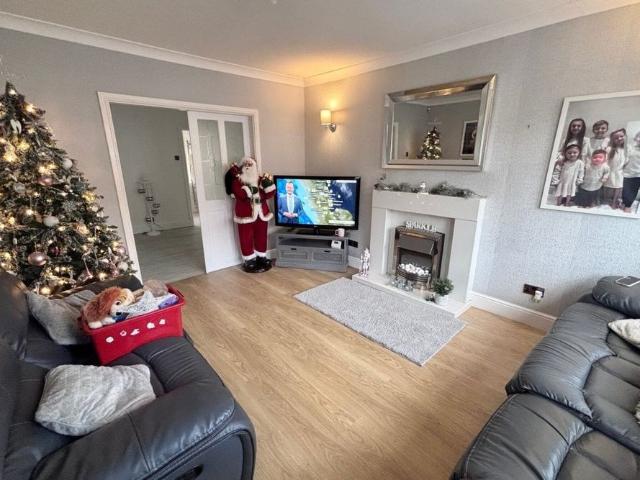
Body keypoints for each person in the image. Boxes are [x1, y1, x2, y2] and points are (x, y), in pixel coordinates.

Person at [226, 157, 276, 273]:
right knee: (245, 237)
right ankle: (249, 259)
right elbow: (241, 195)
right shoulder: (238, 181)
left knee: (261, 236)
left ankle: (261, 256)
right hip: (245, 214)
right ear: (242, 167)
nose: (248, 166)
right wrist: (250, 190)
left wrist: (268, 185)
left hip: (261, 213)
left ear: (255, 167)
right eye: (246, 165)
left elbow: (270, 194)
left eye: (250, 164)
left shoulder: (261, 179)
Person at [604, 128, 626, 209]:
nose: (619, 139)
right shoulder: (609, 149)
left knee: (618, 187)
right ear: (612, 140)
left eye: (621, 136)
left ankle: (614, 201)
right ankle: (606, 200)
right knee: (608, 187)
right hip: (610, 171)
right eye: (616, 138)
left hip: (620, 172)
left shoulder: (626, 150)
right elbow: (605, 161)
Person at [622, 130, 640, 213]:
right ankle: (627, 205)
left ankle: (628, 205)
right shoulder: (631, 147)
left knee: (634, 190)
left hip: (638, 174)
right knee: (627, 190)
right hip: (628, 173)